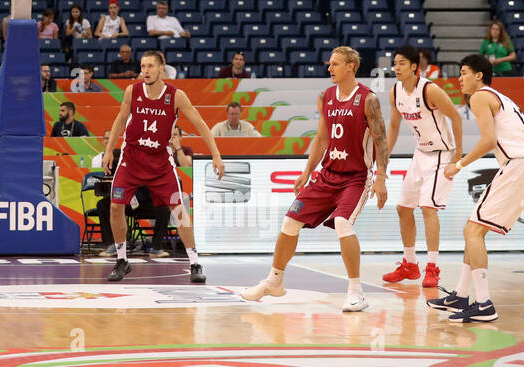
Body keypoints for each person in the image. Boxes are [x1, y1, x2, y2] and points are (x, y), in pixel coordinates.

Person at [241, 46, 389, 311]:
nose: (329, 68)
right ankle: (275, 281)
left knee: (343, 223)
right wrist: (307, 172)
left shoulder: (368, 99)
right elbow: (321, 138)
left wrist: (381, 177)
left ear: (351, 66)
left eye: (335, 64)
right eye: (329, 64)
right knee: (290, 220)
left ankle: (356, 291)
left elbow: (381, 139)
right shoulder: (326, 96)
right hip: (327, 174)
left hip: (356, 177)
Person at [426, 54, 524, 323]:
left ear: (479, 75)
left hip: (519, 165)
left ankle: (483, 305)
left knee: (473, 230)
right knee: (474, 230)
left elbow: (489, 140)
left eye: (464, 72)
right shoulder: (503, 98)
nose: (459, 78)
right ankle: (461, 295)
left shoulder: (480, 96)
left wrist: (458, 164)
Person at [103, 51, 225, 284]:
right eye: (142, 66)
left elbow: (200, 123)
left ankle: (194, 262)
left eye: (150, 66)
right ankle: (122, 260)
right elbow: (120, 118)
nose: (145, 71)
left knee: (179, 210)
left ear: (161, 68)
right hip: (132, 158)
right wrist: (109, 150)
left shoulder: (176, 95)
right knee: (115, 206)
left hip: (159, 161)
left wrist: (216, 155)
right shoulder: (132, 91)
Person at [382, 45, 464, 290]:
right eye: (395, 63)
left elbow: (456, 117)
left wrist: (458, 156)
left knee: (428, 208)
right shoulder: (395, 92)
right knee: (403, 208)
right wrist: (384, 157)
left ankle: (433, 267)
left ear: (414, 67)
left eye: (402, 63)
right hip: (421, 154)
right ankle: (410, 264)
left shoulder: (430, 90)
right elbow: (394, 127)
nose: (396, 67)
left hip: (442, 154)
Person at [94, 140, 173, 259]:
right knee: (102, 204)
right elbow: (111, 177)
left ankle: (156, 248)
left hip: (143, 203)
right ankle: (112, 245)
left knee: (164, 209)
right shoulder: (119, 158)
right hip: (124, 203)